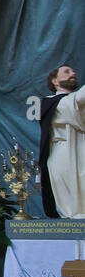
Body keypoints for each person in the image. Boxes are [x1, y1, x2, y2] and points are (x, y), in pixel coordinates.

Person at [39, 64, 85, 218]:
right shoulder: (51, 103)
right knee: (71, 202)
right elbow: (76, 101)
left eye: (73, 71)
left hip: (82, 148)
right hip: (64, 152)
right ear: (54, 81)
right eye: (66, 72)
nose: (73, 73)